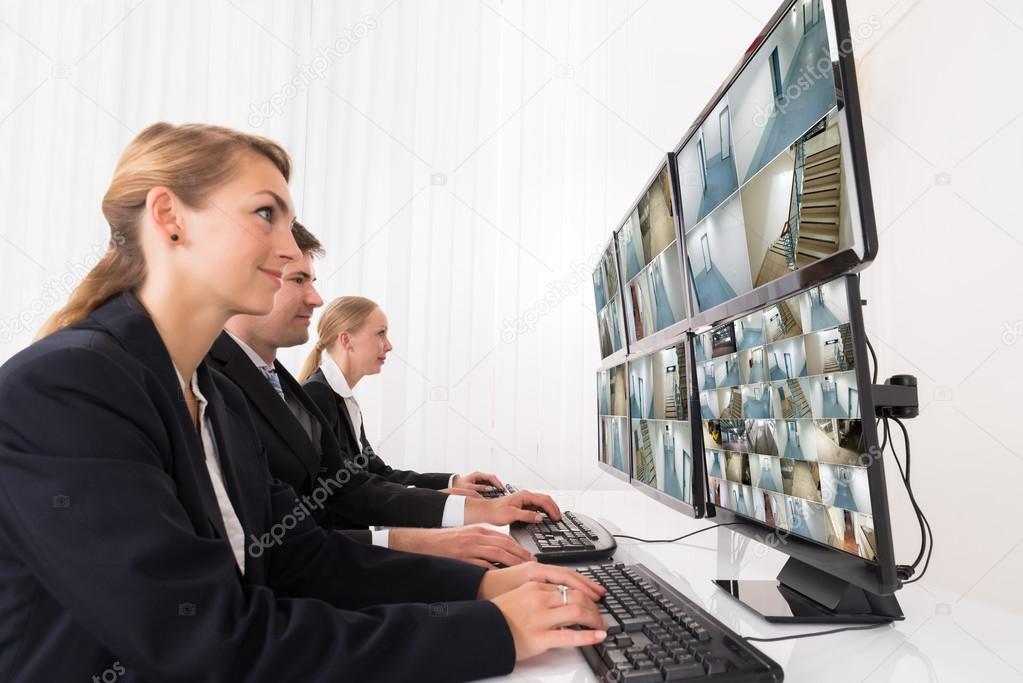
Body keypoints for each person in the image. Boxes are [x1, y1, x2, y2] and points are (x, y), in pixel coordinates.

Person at [0, 122, 606, 682]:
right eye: (266, 214)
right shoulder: (69, 388)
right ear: (170, 218)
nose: (292, 250)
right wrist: (488, 632)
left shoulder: (216, 396)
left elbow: (300, 558)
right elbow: (204, 642)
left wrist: (479, 591)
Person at [211, 222, 547, 567]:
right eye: (298, 279)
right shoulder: (223, 387)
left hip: (333, 561)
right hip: (322, 573)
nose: (316, 298)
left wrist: (474, 507)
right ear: (347, 339)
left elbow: (357, 481)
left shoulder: (289, 388)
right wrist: (425, 541)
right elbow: (288, 538)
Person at [299, 297, 554, 525]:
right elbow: (348, 491)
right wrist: (451, 504)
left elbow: (377, 473)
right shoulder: (318, 396)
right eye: (380, 333)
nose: (388, 346)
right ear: (347, 340)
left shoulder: (343, 399)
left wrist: (452, 483)